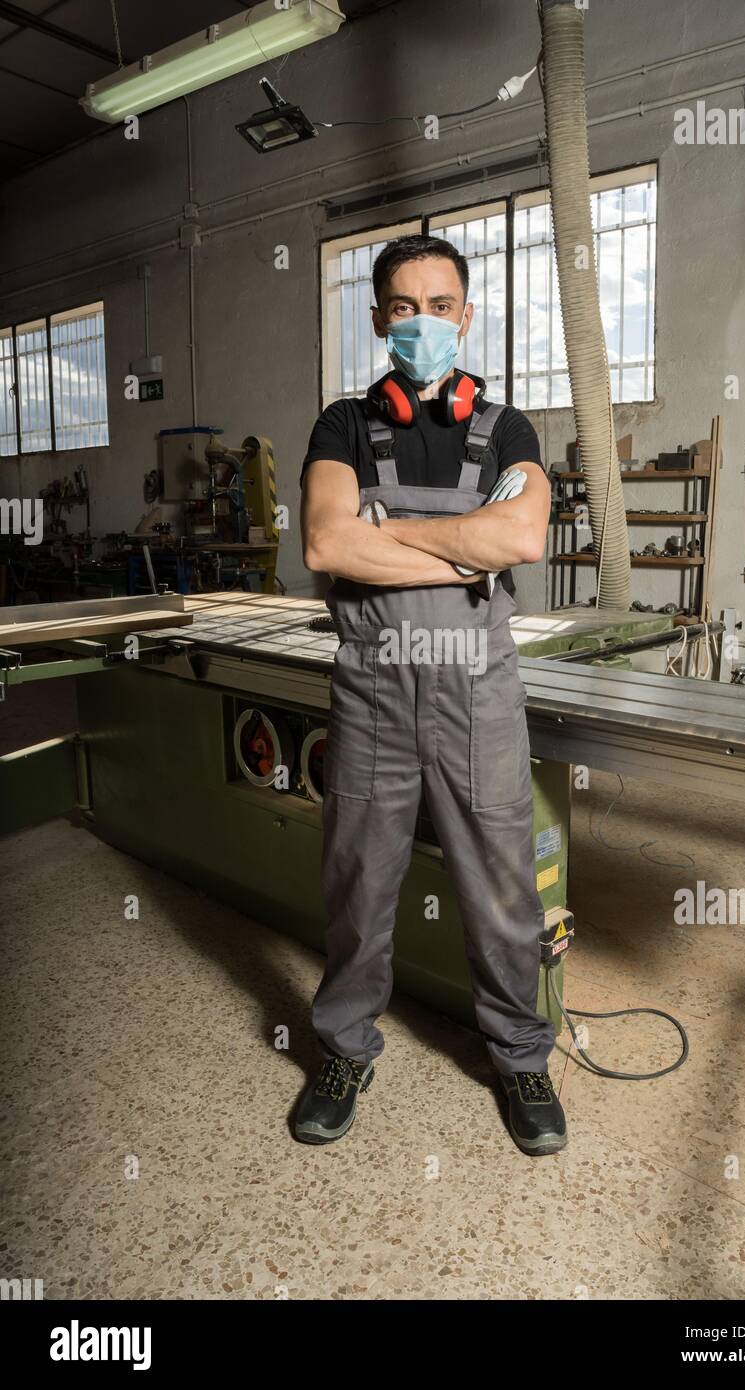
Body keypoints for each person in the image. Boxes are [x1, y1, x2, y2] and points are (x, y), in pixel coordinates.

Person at [295, 233, 567, 1156]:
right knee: (358, 885)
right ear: (380, 320)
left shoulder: (508, 429)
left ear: (466, 315)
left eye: (440, 306)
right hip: (372, 690)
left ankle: (521, 1057)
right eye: (404, 308)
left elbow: (520, 539)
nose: (423, 323)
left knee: (502, 888)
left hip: (477, 695)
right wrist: (460, 544)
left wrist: (390, 530)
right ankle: (344, 1050)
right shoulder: (342, 425)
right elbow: (328, 545)